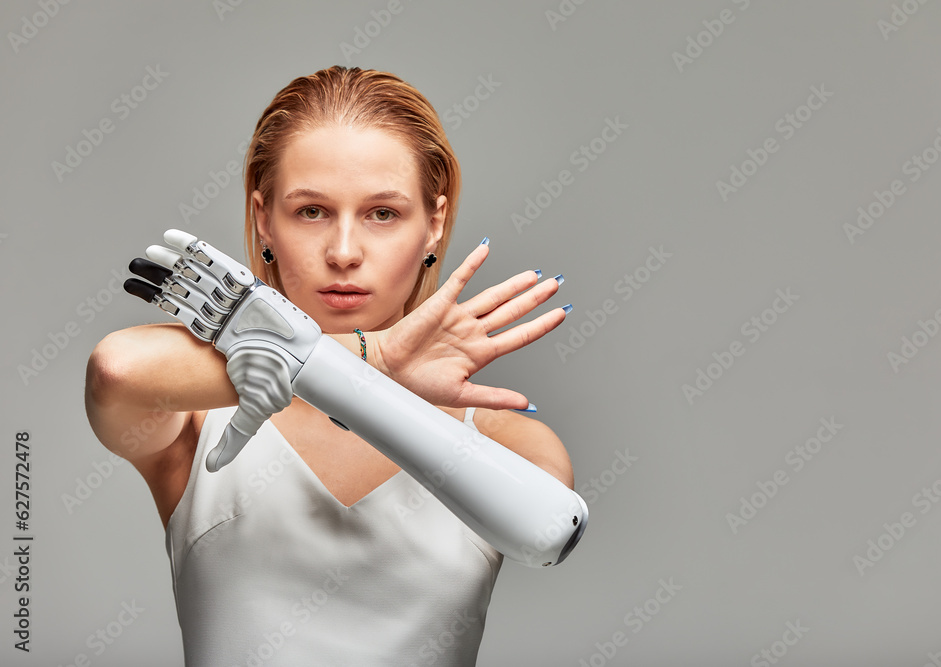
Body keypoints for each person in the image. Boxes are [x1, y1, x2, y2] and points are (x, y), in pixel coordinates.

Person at [84, 65, 576, 665]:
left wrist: (355, 369)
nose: (343, 253)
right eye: (311, 211)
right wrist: (377, 359)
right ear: (265, 220)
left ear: (434, 225)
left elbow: (551, 530)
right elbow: (117, 370)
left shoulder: (507, 439)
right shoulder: (196, 420)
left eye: (383, 213)